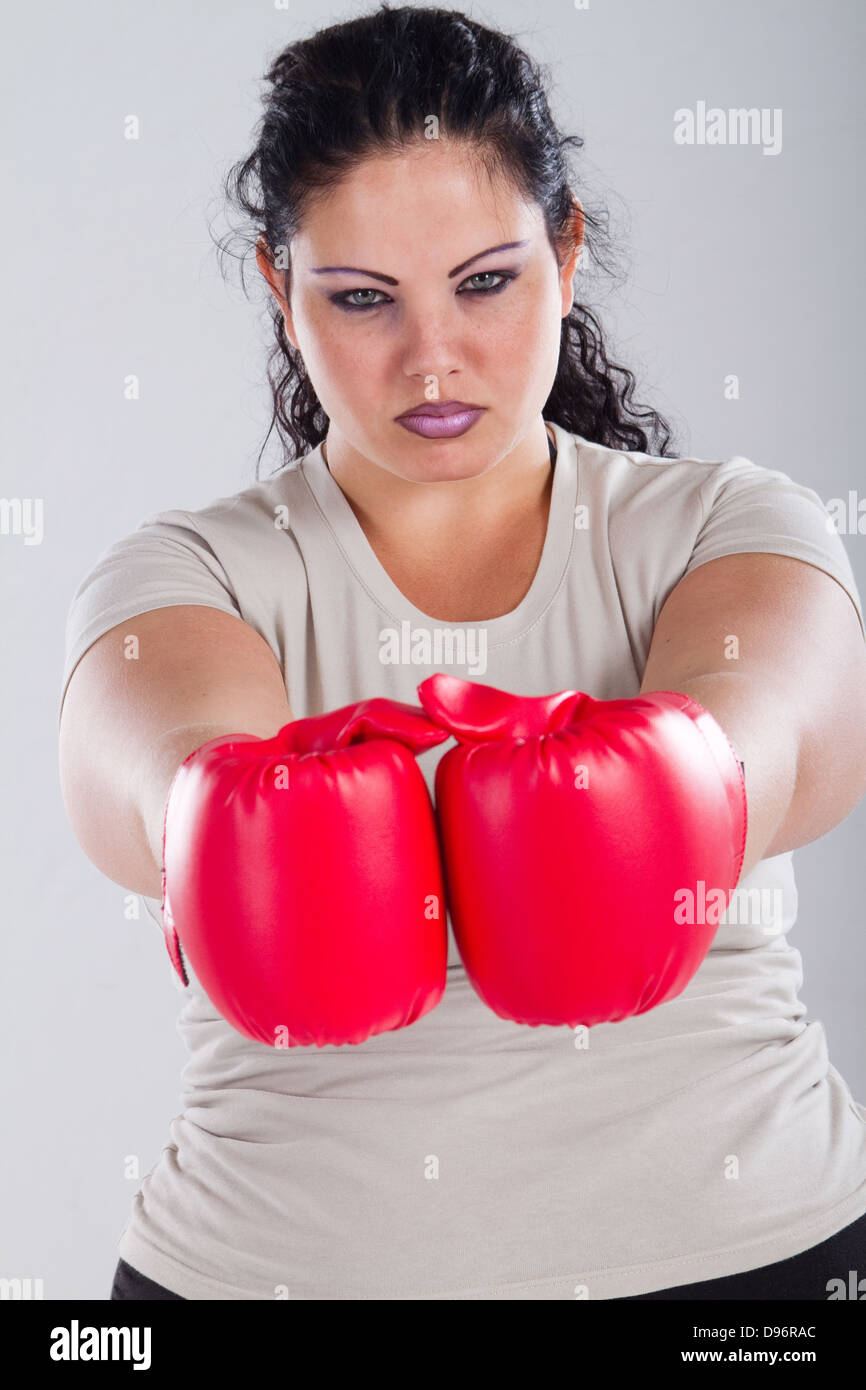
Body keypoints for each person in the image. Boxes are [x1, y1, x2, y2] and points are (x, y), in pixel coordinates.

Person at [59, 4, 866, 1301]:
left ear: (565, 249)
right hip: (263, 1276)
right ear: (278, 286)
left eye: (484, 281)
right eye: (363, 298)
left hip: (745, 1272)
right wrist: (213, 815)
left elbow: (785, 725)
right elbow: (156, 764)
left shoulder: (718, 519)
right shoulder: (189, 570)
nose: (431, 355)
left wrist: (681, 791)